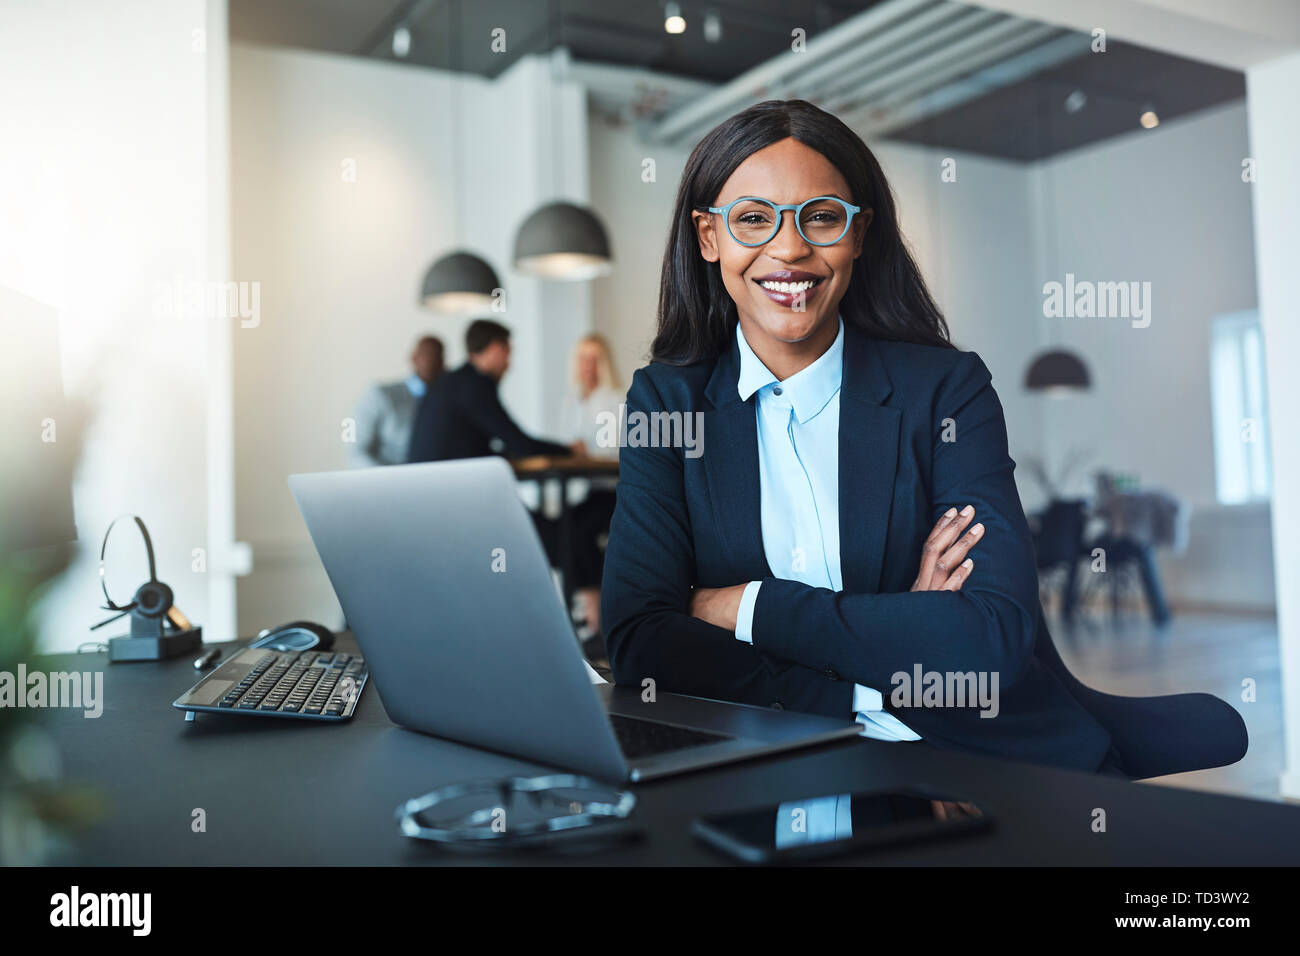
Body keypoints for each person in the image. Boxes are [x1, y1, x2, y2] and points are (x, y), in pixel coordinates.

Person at [600, 99, 1122, 775]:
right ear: (708, 237)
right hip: (754, 768)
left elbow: (990, 640)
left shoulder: (946, 390)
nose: (788, 250)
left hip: (977, 762)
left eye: (821, 217)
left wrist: (748, 605)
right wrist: (889, 642)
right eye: (753, 219)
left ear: (859, 233)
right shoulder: (665, 402)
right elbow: (643, 642)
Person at [407, 319, 577, 463]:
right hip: (450, 491)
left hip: (430, 486)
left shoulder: (453, 382)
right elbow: (520, 444)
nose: (508, 365)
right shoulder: (474, 386)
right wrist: (570, 450)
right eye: (508, 354)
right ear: (495, 348)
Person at [561, 334, 623, 639]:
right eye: (583, 358)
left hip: (613, 492)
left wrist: (589, 452)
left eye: (593, 358)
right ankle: (584, 604)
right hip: (587, 490)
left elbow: (621, 451)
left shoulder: (615, 399)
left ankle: (594, 607)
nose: (588, 366)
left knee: (580, 528)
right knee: (565, 526)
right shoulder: (574, 401)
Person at [349, 335, 444, 467]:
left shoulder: (447, 400)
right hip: (388, 480)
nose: (433, 361)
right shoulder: (380, 395)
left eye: (439, 357)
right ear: (414, 358)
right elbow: (357, 452)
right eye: (427, 354)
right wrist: (390, 480)